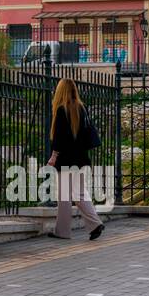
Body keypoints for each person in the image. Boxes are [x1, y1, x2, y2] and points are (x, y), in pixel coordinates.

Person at [46, 77, 105, 241]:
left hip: (66, 159)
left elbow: (59, 138)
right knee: (78, 193)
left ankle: (63, 231)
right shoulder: (81, 108)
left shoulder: (61, 110)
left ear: (60, 91)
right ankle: (94, 224)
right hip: (81, 158)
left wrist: (54, 156)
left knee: (65, 196)